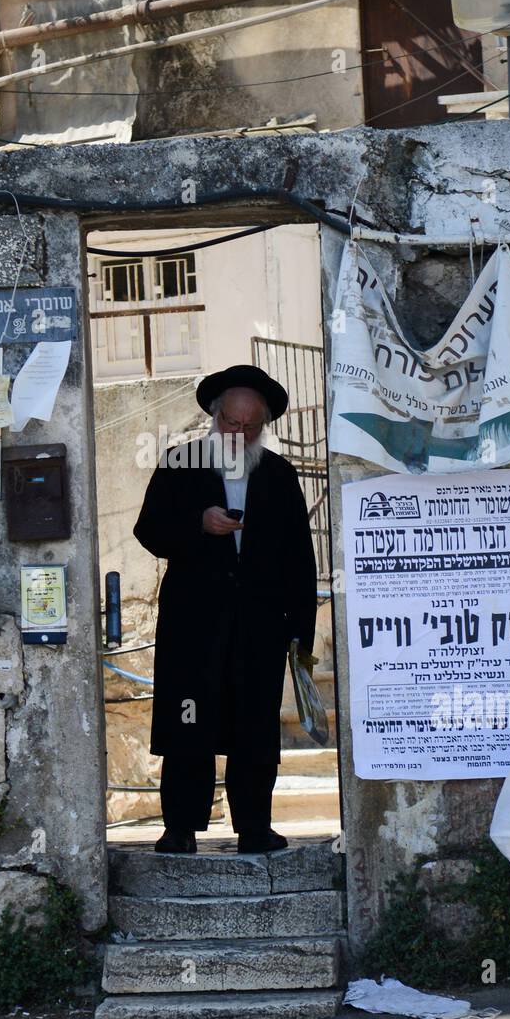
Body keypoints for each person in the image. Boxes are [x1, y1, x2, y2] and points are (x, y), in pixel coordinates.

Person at [133, 364, 317, 855]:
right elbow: (148, 531)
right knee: (188, 721)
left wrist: (300, 630)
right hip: (194, 626)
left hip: (259, 627)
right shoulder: (178, 463)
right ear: (215, 419)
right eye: (231, 424)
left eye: (249, 426)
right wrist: (198, 524)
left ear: (263, 427)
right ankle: (180, 827)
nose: (239, 433)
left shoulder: (279, 474)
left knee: (255, 727)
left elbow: (300, 555)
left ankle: (254, 826)